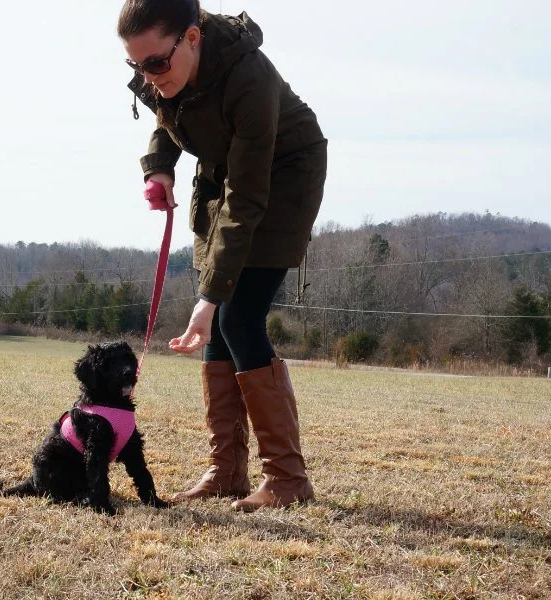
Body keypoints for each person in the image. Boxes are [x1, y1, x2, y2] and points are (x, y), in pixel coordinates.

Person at [118, 0, 327, 511]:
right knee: (219, 321)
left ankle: (287, 478)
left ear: (192, 38)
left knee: (237, 317)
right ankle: (227, 469)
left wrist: (211, 294)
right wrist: (160, 167)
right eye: (135, 66)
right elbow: (168, 113)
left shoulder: (249, 77)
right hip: (221, 175)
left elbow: (249, 196)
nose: (148, 77)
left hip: (282, 178)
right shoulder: (166, 63)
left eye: (156, 64)